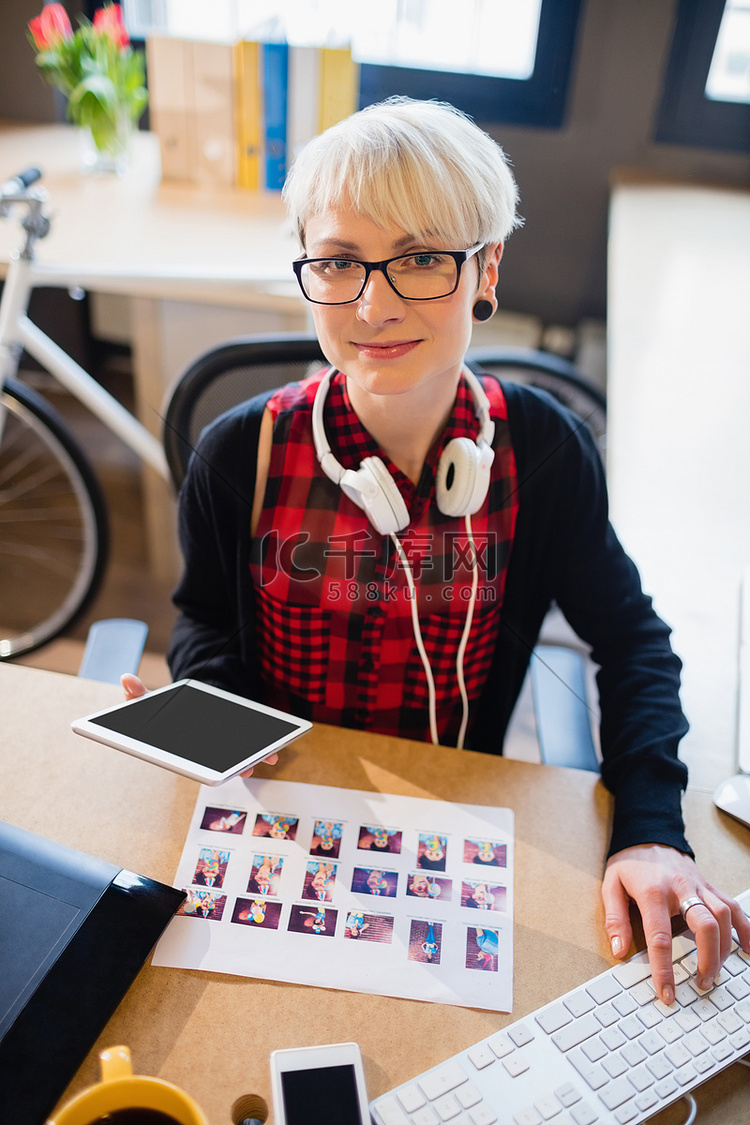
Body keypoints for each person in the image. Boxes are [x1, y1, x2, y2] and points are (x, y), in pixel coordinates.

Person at [122, 96, 750, 1003]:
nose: (374, 303)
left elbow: (633, 641)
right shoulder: (242, 456)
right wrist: (216, 709)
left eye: (421, 258)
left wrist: (652, 824)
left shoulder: (540, 451)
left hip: (461, 822)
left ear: (487, 266)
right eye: (339, 262)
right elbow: (204, 619)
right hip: (294, 815)